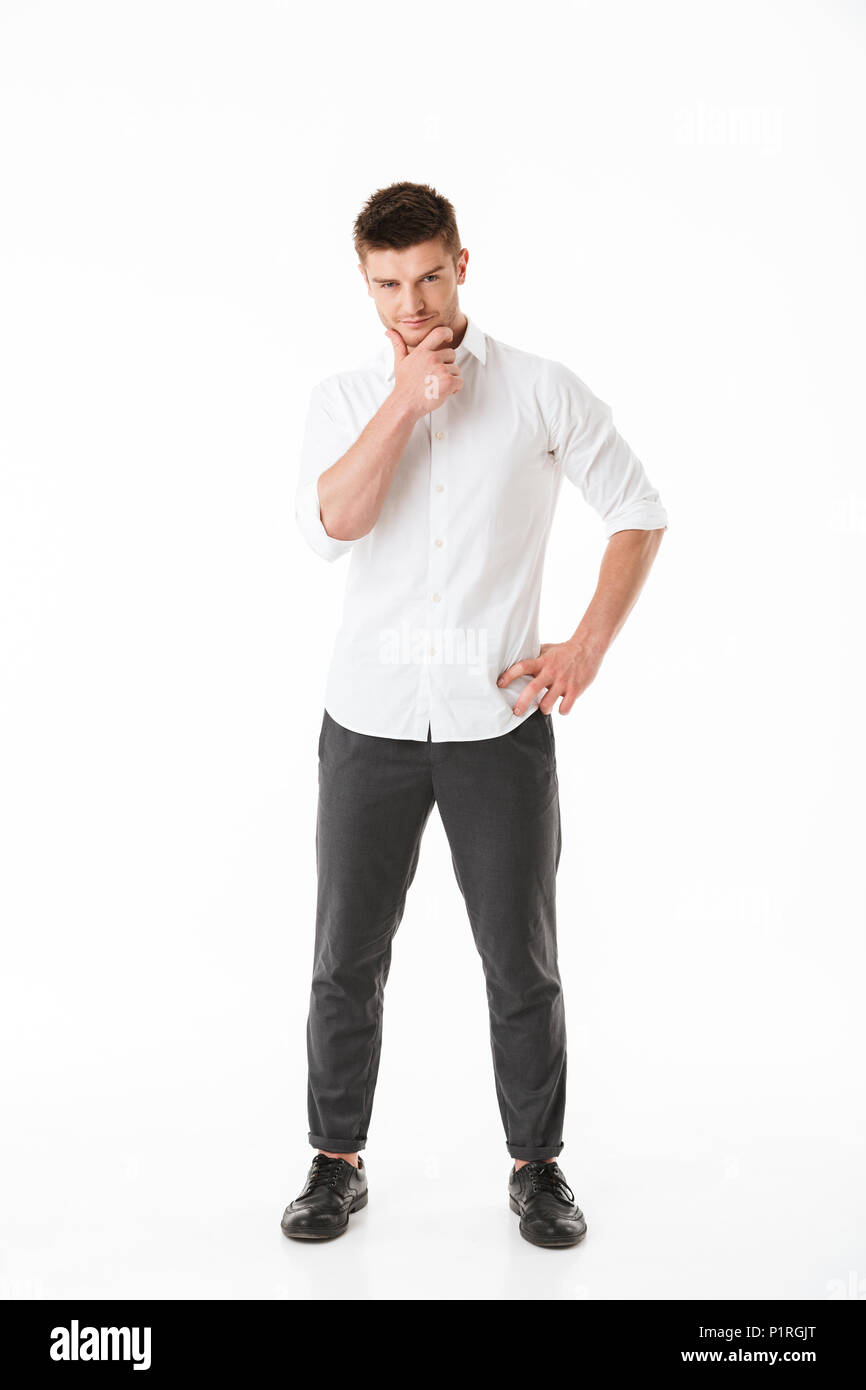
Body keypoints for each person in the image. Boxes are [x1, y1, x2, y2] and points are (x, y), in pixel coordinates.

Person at [281, 181, 668, 1248]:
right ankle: (334, 1160)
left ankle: (536, 1166)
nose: (410, 301)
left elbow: (636, 510)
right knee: (344, 955)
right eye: (386, 284)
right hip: (367, 720)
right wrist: (406, 399)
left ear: (463, 264)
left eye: (427, 276)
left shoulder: (541, 391)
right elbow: (334, 526)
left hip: (496, 727)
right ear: (365, 283)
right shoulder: (342, 395)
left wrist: (583, 643)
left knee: (520, 958)